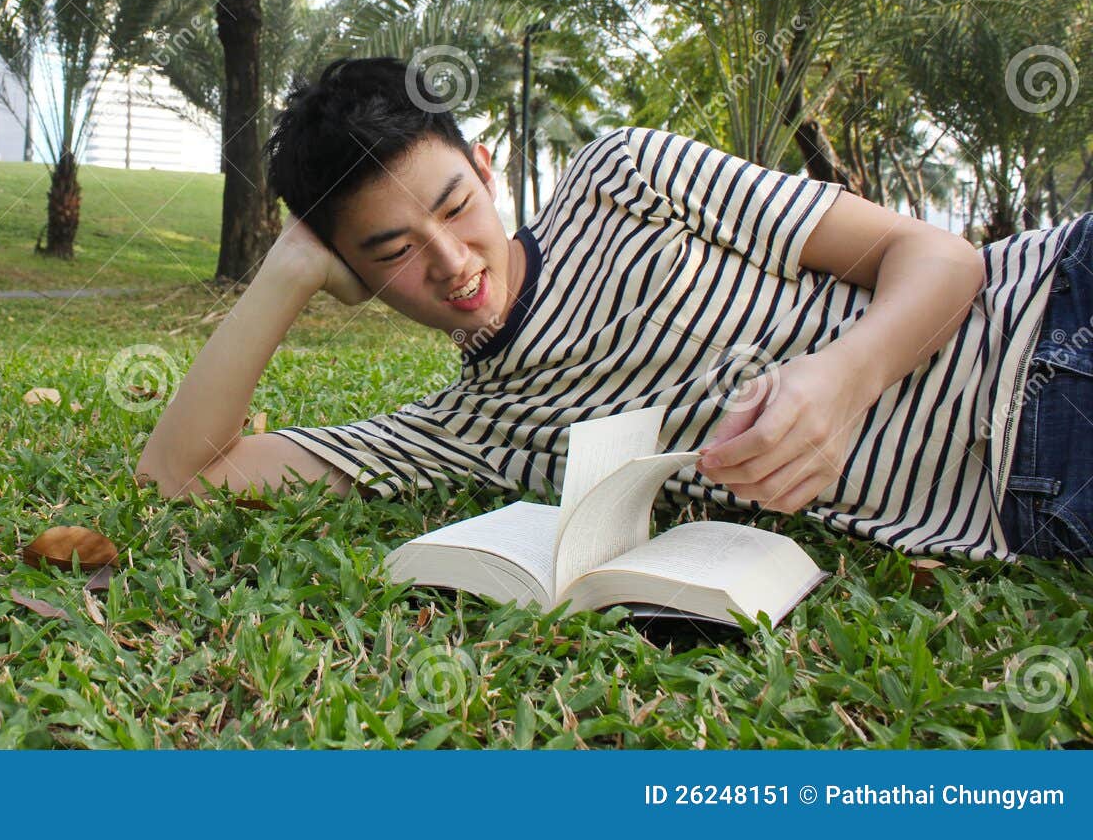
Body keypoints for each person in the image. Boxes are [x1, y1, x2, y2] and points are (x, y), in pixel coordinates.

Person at [135, 56, 1091, 562]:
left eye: (455, 208)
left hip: (1049, 301)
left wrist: (846, 378)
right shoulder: (463, 431)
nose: (453, 263)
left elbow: (939, 257)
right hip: (1033, 499)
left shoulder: (625, 177)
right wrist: (289, 267)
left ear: (485, 168)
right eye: (392, 252)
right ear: (352, 273)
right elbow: (178, 476)